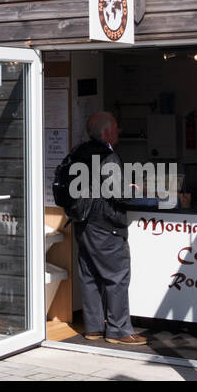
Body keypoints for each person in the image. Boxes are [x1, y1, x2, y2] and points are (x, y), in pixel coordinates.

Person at [73, 111, 146, 346]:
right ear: (106, 132)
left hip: (83, 223)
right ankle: (119, 330)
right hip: (106, 226)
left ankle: (93, 328)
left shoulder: (79, 152)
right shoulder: (107, 156)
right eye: (116, 127)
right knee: (117, 276)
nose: (119, 131)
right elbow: (119, 192)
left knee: (90, 276)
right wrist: (134, 188)